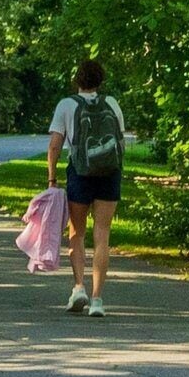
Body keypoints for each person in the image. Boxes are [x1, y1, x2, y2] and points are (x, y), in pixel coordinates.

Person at [45, 59, 129, 317]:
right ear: (100, 81)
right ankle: (97, 300)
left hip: (80, 173)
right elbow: (121, 142)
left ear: (77, 80)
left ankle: (79, 287)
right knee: (102, 235)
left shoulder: (66, 105)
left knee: (77, 232)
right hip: (109, 172)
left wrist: (52, 178)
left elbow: (55, 146)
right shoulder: (112, 103)